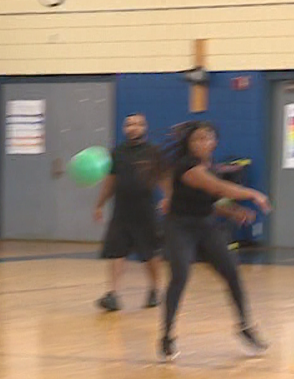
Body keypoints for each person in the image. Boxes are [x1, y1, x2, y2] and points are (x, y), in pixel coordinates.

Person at [159, 121, 272, 362]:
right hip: (180, 227)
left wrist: (232, 212)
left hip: (206, 227)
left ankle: (245, 327)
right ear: (189, 144)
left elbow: (210, 200)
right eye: (197, 139)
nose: (203, 143)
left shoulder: (209, 166)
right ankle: (167, 336)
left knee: (232, 273)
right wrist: (253, 194)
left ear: (214, 142)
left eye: (207, 138)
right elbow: (218, 188)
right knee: (179, 275)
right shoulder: (187, 167)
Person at [94, 113, 167, 311]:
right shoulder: (117, 153)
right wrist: (99, 205)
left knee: (150, 253)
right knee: (117, 252)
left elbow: (163, 178)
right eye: (128, 124)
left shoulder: (153, 152)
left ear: (144, 127)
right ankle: (113, 294)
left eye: (137, 124)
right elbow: (110, 182)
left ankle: (155, 290)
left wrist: (168, 197)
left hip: (145, 211)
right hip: (122, 211)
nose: (132, 128)